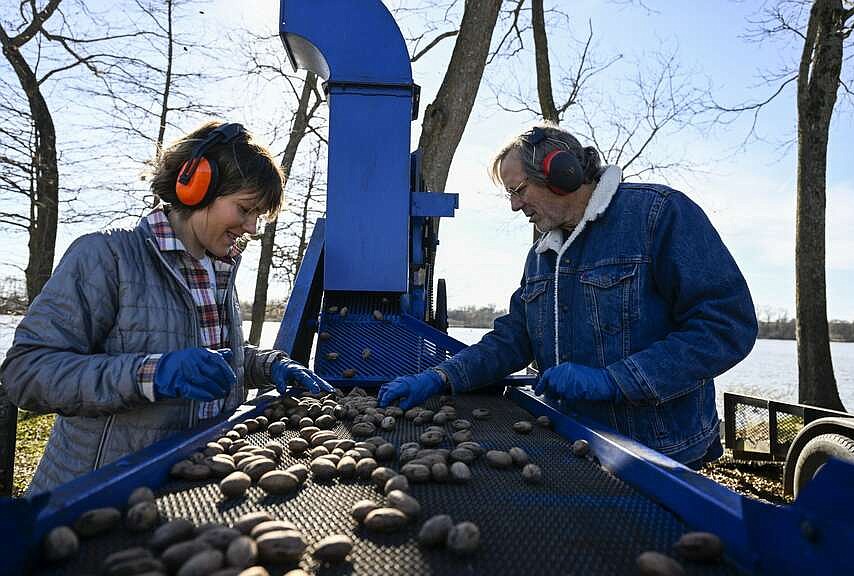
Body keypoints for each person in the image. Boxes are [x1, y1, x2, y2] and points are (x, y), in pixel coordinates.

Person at [378, 124, 758, 468]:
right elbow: (513, 339)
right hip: (575, 444)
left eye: (518, 190)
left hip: (661, 454)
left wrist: (616, 381)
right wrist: (442, 375)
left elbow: (726, 326)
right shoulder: (542, 256)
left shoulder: (658, 215)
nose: (514, 205)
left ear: (561, 173)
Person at [0, 121, 332, 493]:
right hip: (92, 499)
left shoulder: (218, 270)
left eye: (258, 216)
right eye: (244, 209)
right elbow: (26, 373)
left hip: (180, 497)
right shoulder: (106, 257)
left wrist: (268, 364)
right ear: (196, 187)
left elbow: (211, 362)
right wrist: (152, 374)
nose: (252, 228)